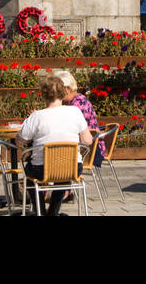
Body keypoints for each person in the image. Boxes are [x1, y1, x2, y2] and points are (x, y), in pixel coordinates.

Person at [16, 75, 93, 216]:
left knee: (29, 172)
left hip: (41, 168)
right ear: (63, 92)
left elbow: (20, 141)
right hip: (72, 167)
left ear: (43, 94)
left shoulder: (37, 116)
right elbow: (88, 141)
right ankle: (53, 211)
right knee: (63, 174)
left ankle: (40, 210)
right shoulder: (75, 112)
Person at [55, 70, 106, 162]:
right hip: (87, 146)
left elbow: (67, 128)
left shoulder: (78, 104)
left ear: (67, 89)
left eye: (57, 90)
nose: (55, 93)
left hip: (90, 150)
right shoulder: (76, 100)